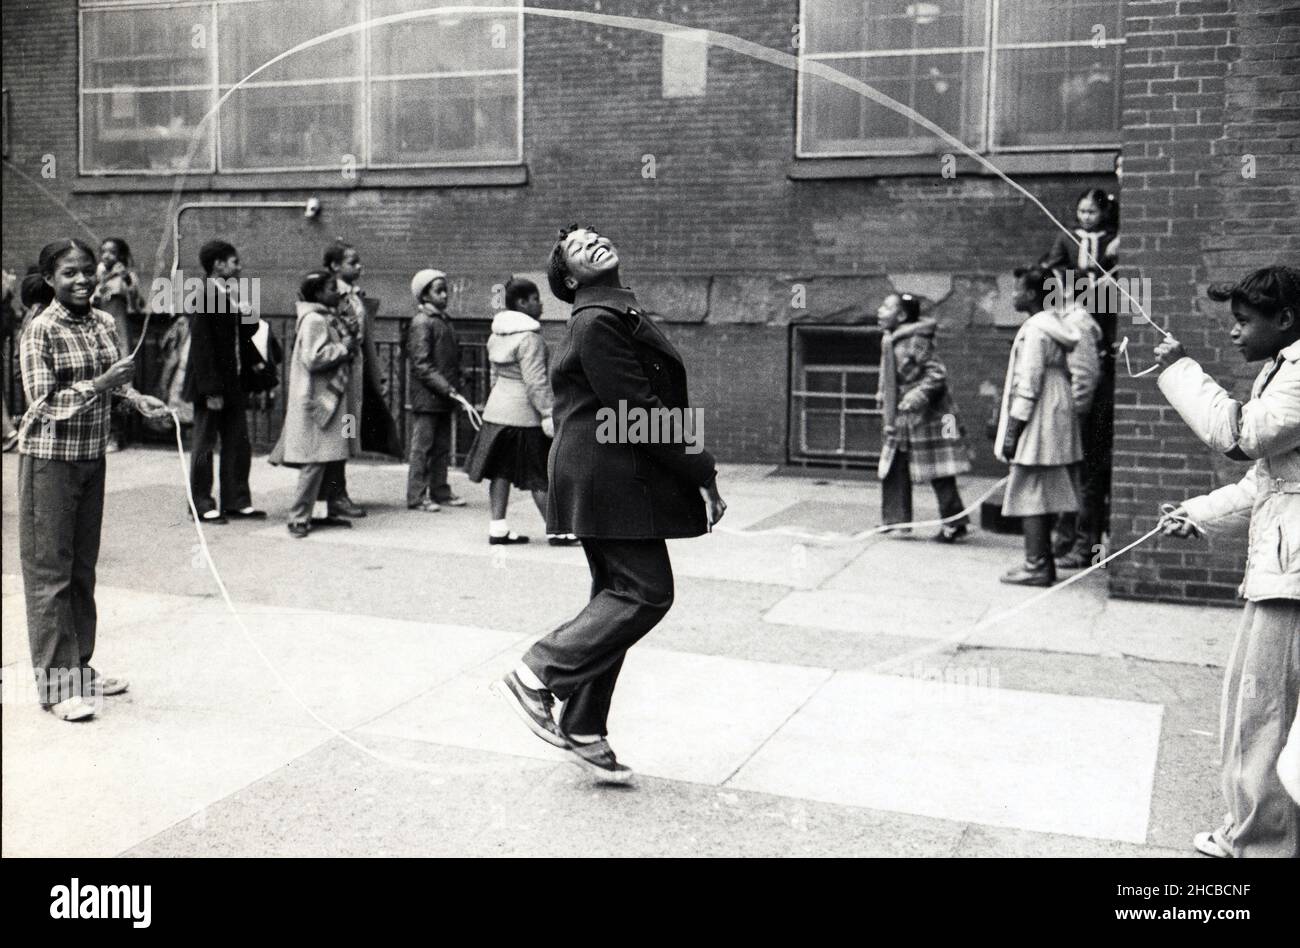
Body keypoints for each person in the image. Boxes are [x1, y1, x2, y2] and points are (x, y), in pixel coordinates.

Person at [493, 225, 727, 782]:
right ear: (570, 279)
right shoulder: (597, 320)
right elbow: (640, 409)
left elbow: (642, 408)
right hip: (607, 476)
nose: (592, 243)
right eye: (577, 248)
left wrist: (696, 469)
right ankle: (537, 672)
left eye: (594, 236)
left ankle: (583, 726)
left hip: (611, 473)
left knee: (616, 598)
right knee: (645, 593)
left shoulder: (614, 315)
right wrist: (703, 470)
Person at [1154, 265, 1300, 858]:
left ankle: (1260, 843)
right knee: (1268, 709)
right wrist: (1198, 513)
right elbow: (1264, 482)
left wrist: (1177, 367)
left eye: (1244, 322)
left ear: (1284, 319)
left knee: (1260, 710)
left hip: (1291, 574)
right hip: (1287, 564)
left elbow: (1238, 436)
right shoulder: (1283, 369)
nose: (1235, 334)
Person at [16, 239, 169, 721]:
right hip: (49, 462)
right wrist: (101, 386)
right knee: (50, 575)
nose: (82, 280)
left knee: (82, 570)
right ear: (50, 279)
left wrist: (139, 401)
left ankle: (79, 669)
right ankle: (57, 687)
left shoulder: (104, 322)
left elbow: (117, 386)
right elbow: (44, 405)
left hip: (91, 459)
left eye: (88, 271)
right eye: (69, 273)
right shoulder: (39, 331)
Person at [463, 277, 576, 545]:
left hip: (497, 412)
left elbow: (495, 376)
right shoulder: (530, 339)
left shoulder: (496, 335)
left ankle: (498, 527)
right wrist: (549, 413)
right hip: (524, 416)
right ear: (522, 303)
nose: (541, 303)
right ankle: (557, 530)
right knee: (538, 475)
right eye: (536, 298)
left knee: (500, 472)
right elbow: (535, 383)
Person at [1041, 189, 1121, 559]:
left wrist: (1076, 408)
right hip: (1088, 301)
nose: (1085, 217)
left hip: (1087, 398)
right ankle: (1069, 539)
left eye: (1092, 211)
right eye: (1081, 210)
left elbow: (1085, 375)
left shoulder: (1082, 326)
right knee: (1075, 470)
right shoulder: (1067, 240)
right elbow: (1052, 268)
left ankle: (1084, 541)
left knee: (1087, 470)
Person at [993, 264, 1083, 587]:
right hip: (1056, 408)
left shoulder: (1034, 329)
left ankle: (1037, 565)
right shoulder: (1055, 325)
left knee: (1030, 491)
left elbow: (1028, 382)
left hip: (1039, 413)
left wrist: (1013, 431)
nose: (1013, 295)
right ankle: (1042, 561)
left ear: (1031, 295)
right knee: (1042, 490)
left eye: (1016, 290)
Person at [874, 292, 972, 542]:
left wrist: (917, 395)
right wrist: (884, 394)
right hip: (904, 415)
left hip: (929, 416)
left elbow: (937, 374)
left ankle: (954, 523)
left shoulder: (916, 340)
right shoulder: (891, 340)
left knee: (939, 471)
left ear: (902, 315)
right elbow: (890, 375)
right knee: (895, 465)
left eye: (886, 307)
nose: (880, 311)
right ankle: (896, 520)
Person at [183, 239, 265, 524]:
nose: (239, 267)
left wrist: (247, 312)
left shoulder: (229, 293)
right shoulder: (203, 296)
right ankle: (202, 503)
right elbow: (201, 348)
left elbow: (248, 332)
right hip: (213, 385)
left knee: (238, 442)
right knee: (205, 444)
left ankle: (236, 500)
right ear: (218, 264)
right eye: (234, 261)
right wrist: (210, 390)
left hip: (234, 383)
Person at [273, 271, 360, 539]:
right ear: (318, 294)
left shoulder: (325, 317)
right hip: (318, 401)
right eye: (332, 288)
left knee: (332, 455)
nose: (338, 292)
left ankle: (326, 510)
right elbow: (314, 358)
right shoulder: (313, 320)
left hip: (330, 400)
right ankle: (297, 517)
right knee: (314, 460)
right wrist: (344, 348)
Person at [320, 239, 403, 519]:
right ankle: (335, 494)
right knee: (340, 434)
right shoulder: (331, 296)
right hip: (338, 378)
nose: (359, 267)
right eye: (352, 262)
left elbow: (366, 340)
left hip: (355, 375)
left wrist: (376, 375)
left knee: (347, 433)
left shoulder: (354, 295)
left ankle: (334, 490)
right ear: (334, 266)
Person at [404, 268, 467, 511]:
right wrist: (447, 387)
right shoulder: (422, 323)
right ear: (425, 295)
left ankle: (440, 490)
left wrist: (455, 383)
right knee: (423, 447)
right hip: (429, 396)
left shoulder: (442, 321)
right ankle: (416, 496)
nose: (445, 295)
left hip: (443, 394)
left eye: (445, 290)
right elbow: (421, 363)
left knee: (441, 446)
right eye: (439, 291)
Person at [1052, 284, 1105, 569]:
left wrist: (1073, 419)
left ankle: (1086, 548)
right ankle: (1072, 544)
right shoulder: (1067, 320)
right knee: (1079, 482)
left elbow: (1083, 377)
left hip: (1084, 419)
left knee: (1085, 484)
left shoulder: (1076, 323)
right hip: (1080, 417)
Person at [91, 238, 148, 453]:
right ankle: (99, 434)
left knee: (120, 383)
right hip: (95, 332)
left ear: (120, 255)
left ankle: (118, 434)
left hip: (118, 332)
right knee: (99, 381)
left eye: (112, 252)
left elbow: (138, 305)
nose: (107, 256)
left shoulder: (127, 276)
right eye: (103, 251)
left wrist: (126, 280)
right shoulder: (93, 275)